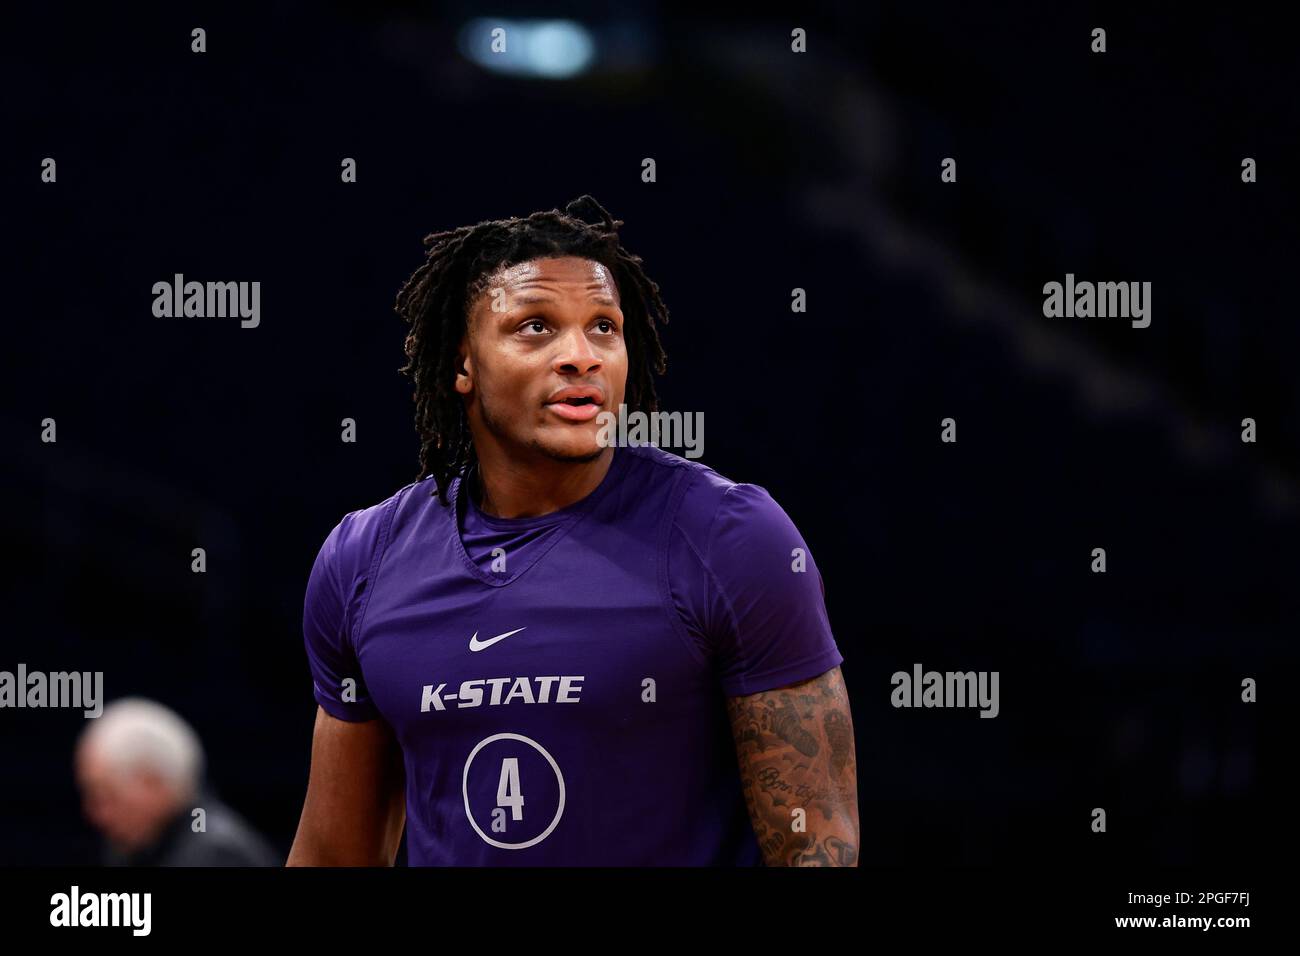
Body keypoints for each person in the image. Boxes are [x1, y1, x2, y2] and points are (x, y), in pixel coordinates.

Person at [288, 195, 858, 866]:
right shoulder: (363, 560)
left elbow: (814, 850)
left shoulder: (732, 538)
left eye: (604, 328)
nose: (581, 356)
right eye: (535, 326)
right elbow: (333, 854)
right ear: (462, 363)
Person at [75, 697, 279, 866]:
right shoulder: (142, 850)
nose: (94, 814)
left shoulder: (217, 856)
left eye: (105, 796)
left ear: (151, 782)